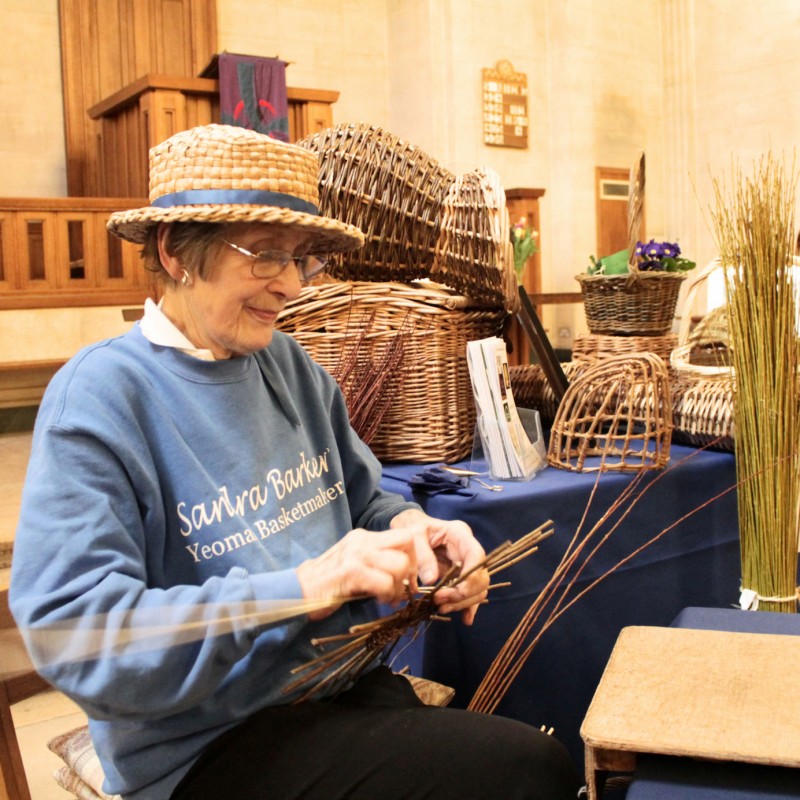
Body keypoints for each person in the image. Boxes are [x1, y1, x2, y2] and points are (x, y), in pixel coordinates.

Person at [10, 124, 580, 800]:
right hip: (209, 743)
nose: (290, 285)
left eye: (302, 259)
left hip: (339, 689)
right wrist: (302, 589)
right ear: (174, 252)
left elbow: (367, 503)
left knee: (515, 760)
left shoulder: (288, 366)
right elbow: (76, 635)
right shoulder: (103, 396)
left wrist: (415, 534)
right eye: (265, 256)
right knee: (526, 771)